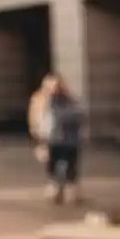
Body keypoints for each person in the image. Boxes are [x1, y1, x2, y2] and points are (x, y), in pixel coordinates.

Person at [40, 75, 86, 205]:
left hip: (64, 140)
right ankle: (61, 191)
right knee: (55, 167)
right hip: (58, 140)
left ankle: (65, 191)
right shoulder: (49, 102)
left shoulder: (58, 103)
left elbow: (79, 116)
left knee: (65, 166)